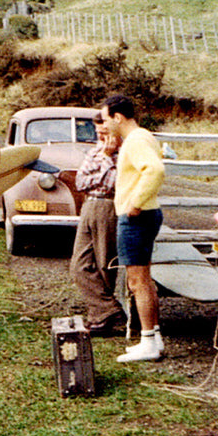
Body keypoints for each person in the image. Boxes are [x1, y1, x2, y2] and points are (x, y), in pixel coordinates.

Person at [100, 94, 166, 362]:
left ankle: (148, 341)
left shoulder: (137, 140)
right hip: (146, 214)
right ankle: (155, 337)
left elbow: (155, 170)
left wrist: (135, 203)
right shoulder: (142, 137)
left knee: (136, 281)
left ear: (118, 117)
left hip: (138, 217)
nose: (104, 125)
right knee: (144, 279)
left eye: (106, 119)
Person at [70, 113, 126, 336]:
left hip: (109, 207)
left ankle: (100, 319)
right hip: (89, 206)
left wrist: (104, 161)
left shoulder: (123, 152)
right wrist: (105, 161)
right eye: (98, 133)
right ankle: (110, 309)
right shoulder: (97, 150)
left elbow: (114, 183)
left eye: (105, 132)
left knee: (104, 263)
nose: (101, 136)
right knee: (79, 265)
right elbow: (80, 182)